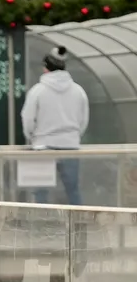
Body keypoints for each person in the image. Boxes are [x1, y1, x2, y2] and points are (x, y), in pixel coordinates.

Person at [21, 46, 89, 204]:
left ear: (46, 68)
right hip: (71, 147)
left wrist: (32, 138)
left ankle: (41, 227)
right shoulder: (78, 91)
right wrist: (72, 137)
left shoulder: (37, 91)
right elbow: (83, 120)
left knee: (40, 193)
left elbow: (28, 119)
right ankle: (79, 226)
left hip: (42, 147)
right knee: (73, 190)